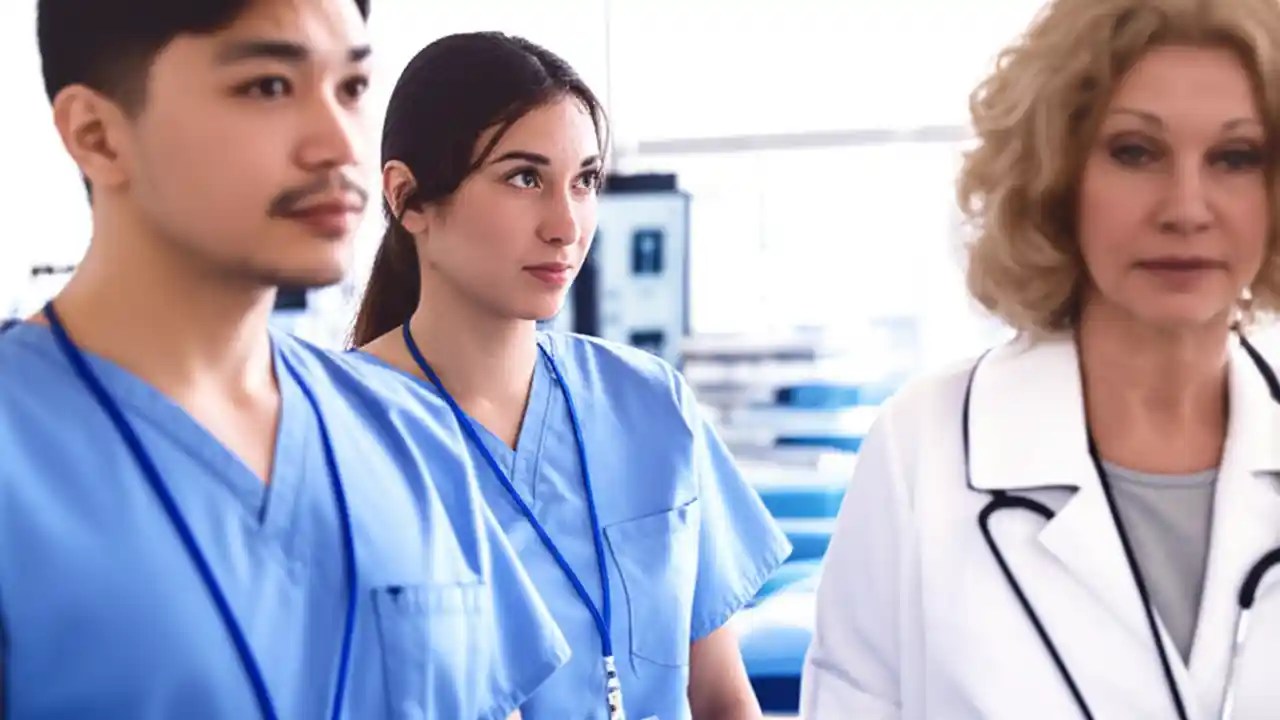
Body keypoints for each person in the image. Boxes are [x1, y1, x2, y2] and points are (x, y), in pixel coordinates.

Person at [0, 2, 568, 718]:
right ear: (98, 135)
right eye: (269, 86)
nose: (340, 145)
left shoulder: (412, 436)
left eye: (351, 88)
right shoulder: (21, 459)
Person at [800, 0, 1280, 718]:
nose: (1186, 208)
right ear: (1057, 177)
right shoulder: (923, 447)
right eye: (1135, 152)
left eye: (1235, 157)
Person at [350, 31, 792, 720]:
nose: (566, 225)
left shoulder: (649, 403)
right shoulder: (339, 431)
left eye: (584, 181)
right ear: (408, 198)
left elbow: (722, 698)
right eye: (524, 178)